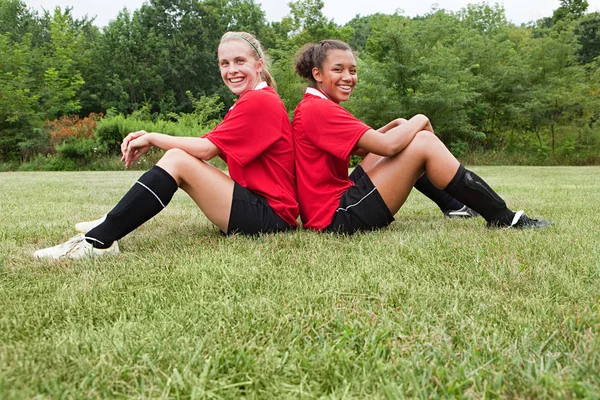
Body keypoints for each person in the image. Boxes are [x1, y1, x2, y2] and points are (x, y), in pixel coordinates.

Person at [34, 31, 299, 259]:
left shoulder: (260, 101)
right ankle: (115, 219)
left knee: (177, 159)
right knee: (179, 157)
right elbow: (205, 145)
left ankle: (99, 241)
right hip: (262, 210)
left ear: (259, 65)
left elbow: (206, 149)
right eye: (224, 63)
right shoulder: (251, 100)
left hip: (272, 218)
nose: (231, 70)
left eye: (240, 61)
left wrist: (152, 137)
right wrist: (153, 136)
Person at [292, 39, 550, 233]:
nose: (348, 77)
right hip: (335, 217)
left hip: (332, 202)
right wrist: (421, 119)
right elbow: (388, 147)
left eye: (353, 70)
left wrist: (397, 125)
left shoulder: (315, 105)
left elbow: (361, 147)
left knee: (403, 130)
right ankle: (503, 218)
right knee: (421, 140)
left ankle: (455, 207)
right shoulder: (319, 109)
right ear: (318, 74)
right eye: (338, 70)